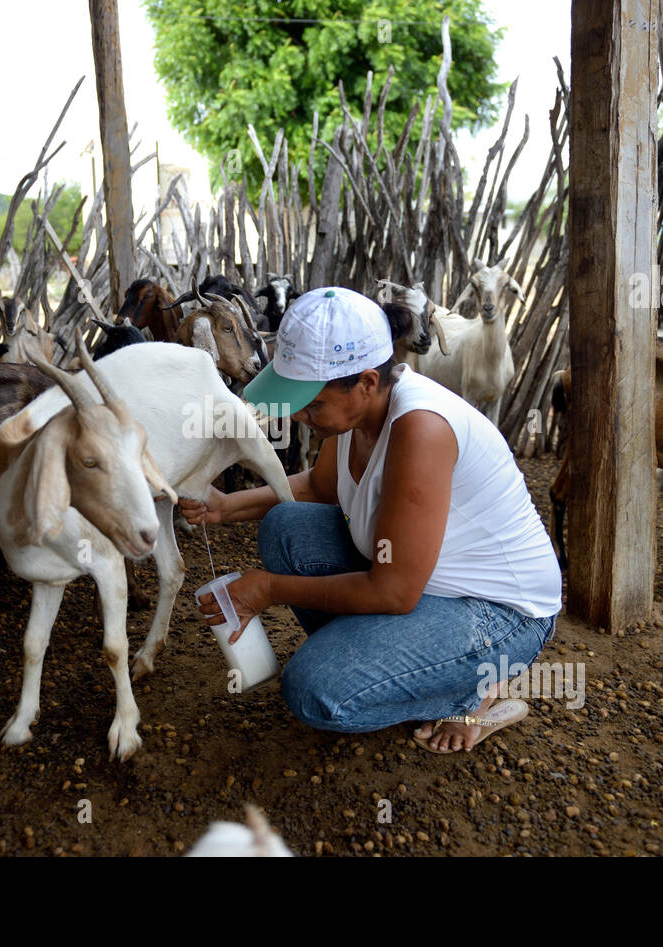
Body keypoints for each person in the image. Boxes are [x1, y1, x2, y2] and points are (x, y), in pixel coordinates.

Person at [182, 286, 562, 753]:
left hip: (499, 612)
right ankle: (400, 666)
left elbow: (393, 591)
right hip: (425, 592)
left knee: (316, 691)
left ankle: (474, 693)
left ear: (365, 382)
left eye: (312, 403)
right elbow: (320, 488)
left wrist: (268, 589)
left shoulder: (421, 429)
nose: (300, 415)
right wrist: (227, 507)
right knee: (286, 528)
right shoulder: (357, 419)